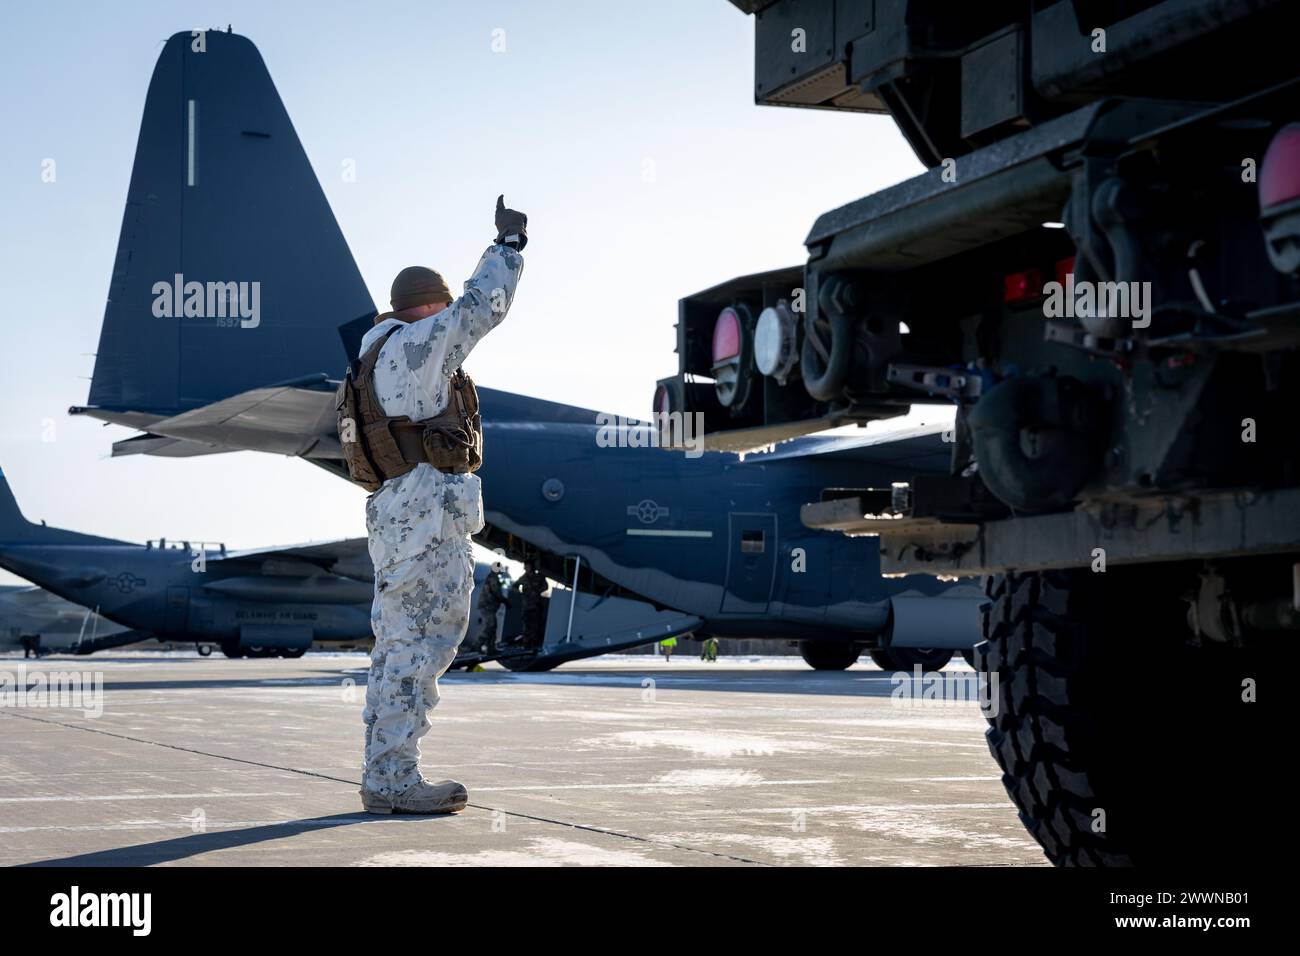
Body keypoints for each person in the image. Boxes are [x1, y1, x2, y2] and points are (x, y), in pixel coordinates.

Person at [338, 196, 526, 815]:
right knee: (420, 644)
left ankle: (385, 773)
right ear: (431, 307)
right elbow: (483, 308)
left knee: (398, 644)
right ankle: (394, 780)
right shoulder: (418, 345)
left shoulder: (371, 356)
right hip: (426, 514)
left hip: (396, 512)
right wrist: (507, 247)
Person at [477, 562, 509, 654]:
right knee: (490, 626)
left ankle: (491, 648)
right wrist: (505, 601)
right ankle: (478, 644)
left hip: (489, 606)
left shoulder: (492, 578)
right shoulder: (493, 579)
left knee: (493, 626)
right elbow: (496, 592)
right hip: (487, 606)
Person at [516, 560, 548, 649]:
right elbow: (515, 586)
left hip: (536, 605)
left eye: (527, 566)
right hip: (526, 606)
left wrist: (537, 591)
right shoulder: (523, 578)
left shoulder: (539, 576)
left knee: (536, 626)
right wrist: (521, 593)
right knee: (526, 626)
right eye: (525, 566)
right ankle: (526, 644)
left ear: (531, 567)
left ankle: (534, 645)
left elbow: (546, 586)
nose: (526, 568)